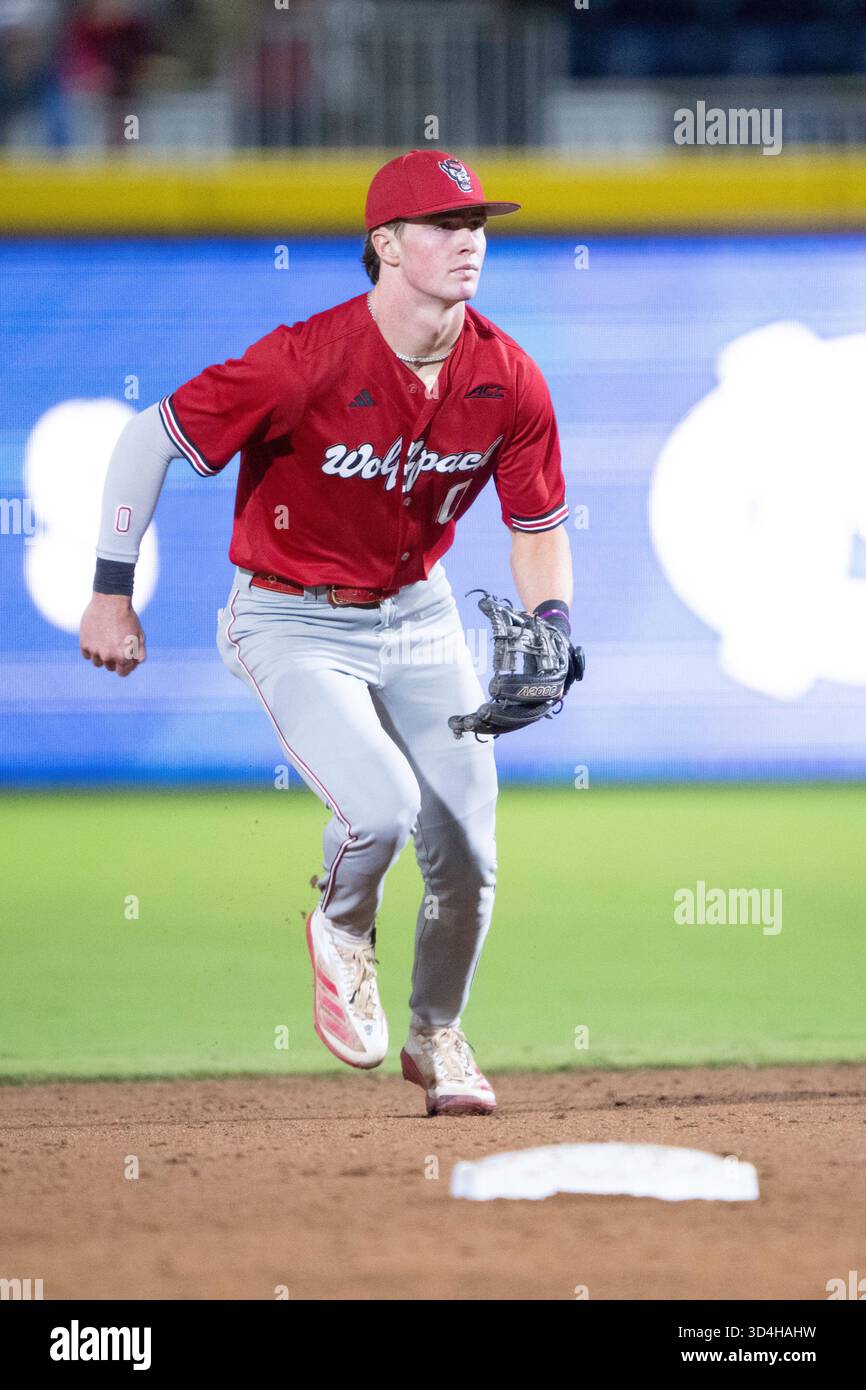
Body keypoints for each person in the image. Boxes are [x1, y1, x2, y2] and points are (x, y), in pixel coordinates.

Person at [79, 149, 574, 1116]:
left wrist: (552, 620)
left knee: (468, 842)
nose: (468, 240)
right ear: (385, 244)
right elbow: (150, 438)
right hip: (290, 615)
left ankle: (438, 1035)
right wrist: (109, 592)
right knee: (382, 807)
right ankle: (343, 934)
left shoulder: (508, 376)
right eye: (442, 223)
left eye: (477, 223)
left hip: (418, 614)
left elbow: (539, 527)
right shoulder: (304, 359)